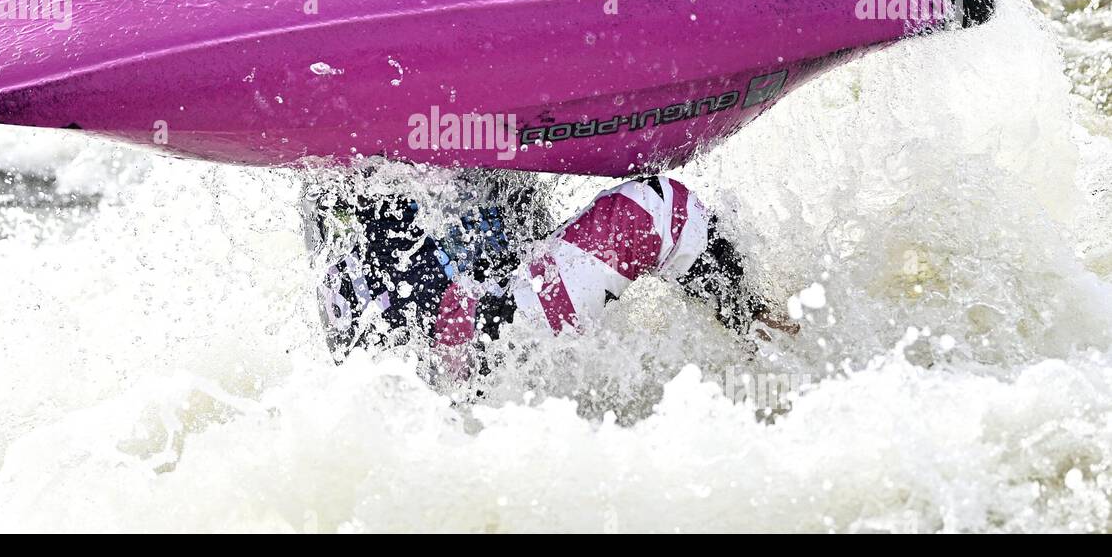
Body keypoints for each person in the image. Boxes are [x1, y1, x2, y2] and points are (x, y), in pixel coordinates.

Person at [309, 172, 796, 382]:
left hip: (375, 381)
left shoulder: (320, 73)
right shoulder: (413, 53)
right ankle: (781, 345)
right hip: (474, 342)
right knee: (659, 211)